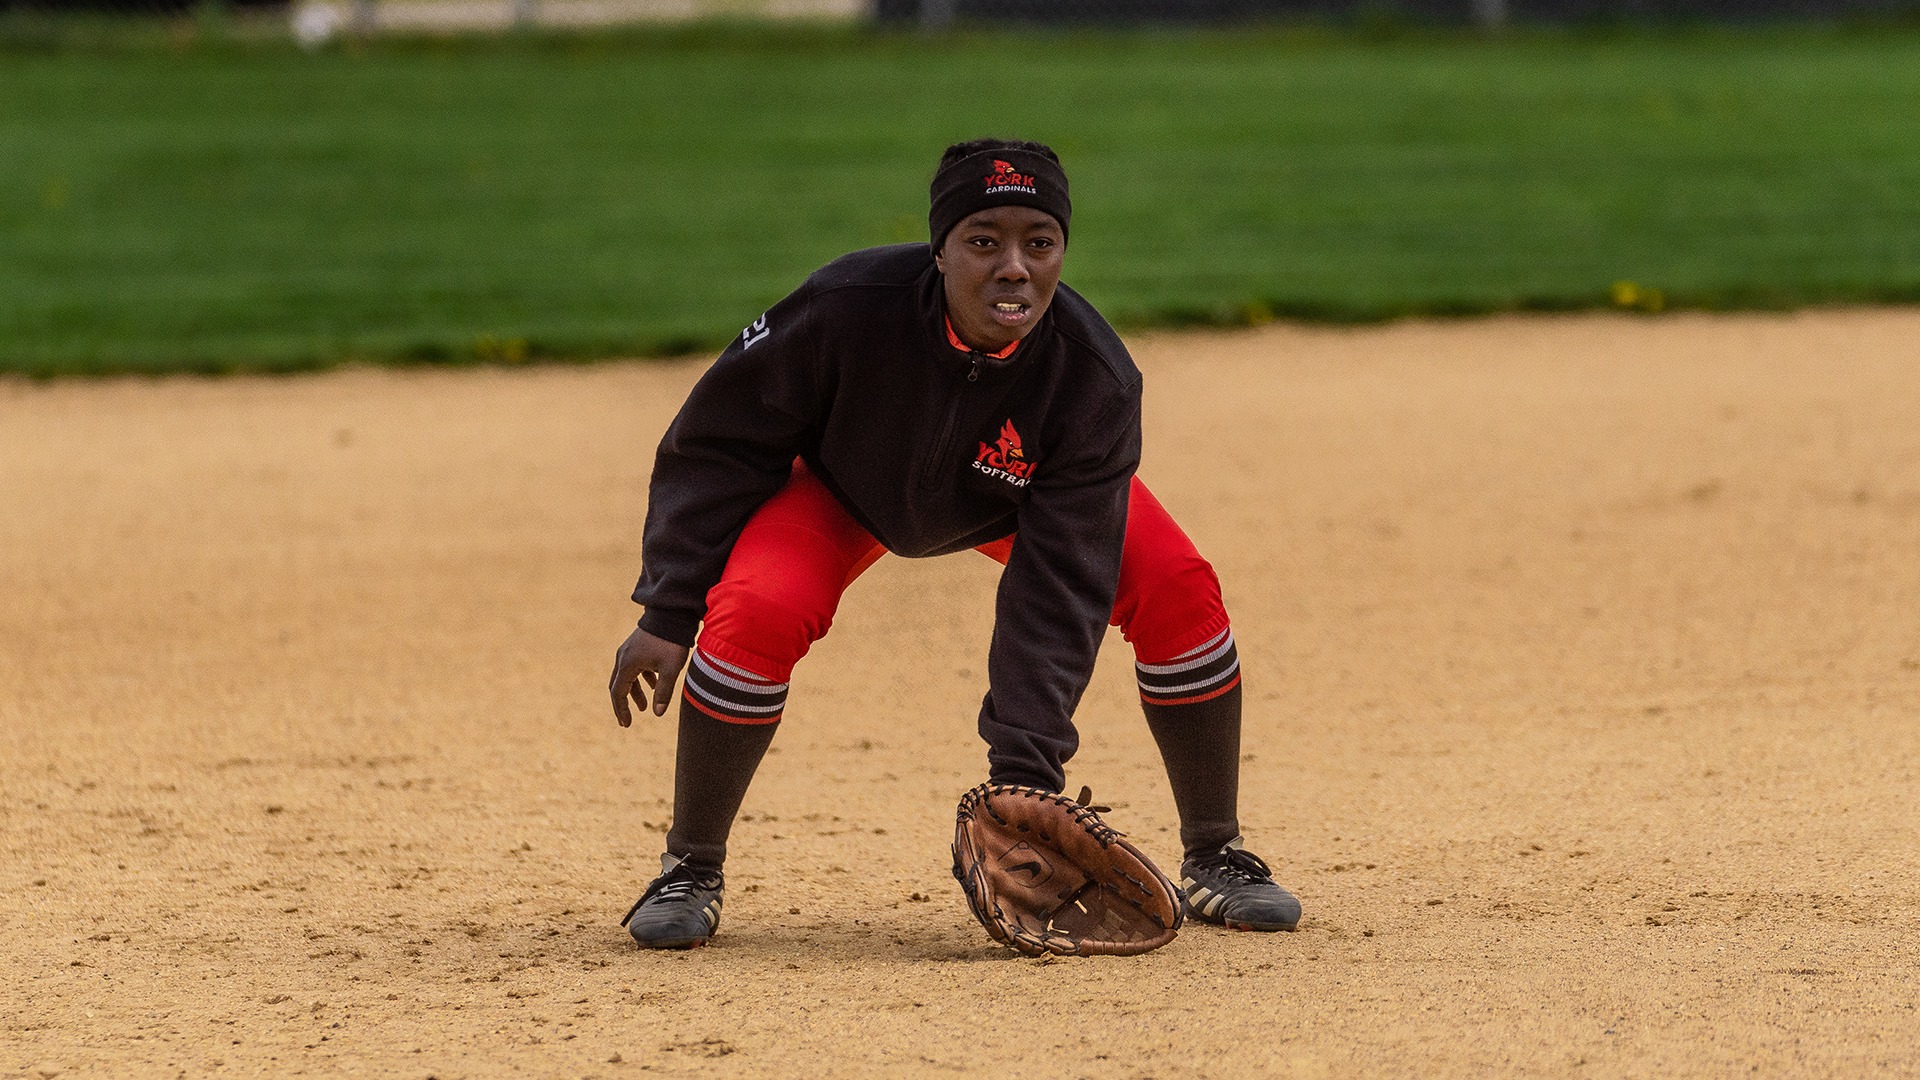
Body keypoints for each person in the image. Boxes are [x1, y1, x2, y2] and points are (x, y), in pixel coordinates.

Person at [608, 138, 1301, 949]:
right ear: (939, 249)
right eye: (983, 240)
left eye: (1039, 243)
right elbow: (721, 441)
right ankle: (690, 867)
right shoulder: (845, 307)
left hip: (1008, 503)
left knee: (1179, 585)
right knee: (760, 607)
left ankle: (1216, 856)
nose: (1014, 266)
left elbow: (1060, 586)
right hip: (839, 490)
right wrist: (669, 606)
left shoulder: (1091, 380)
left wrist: (1026, 783)